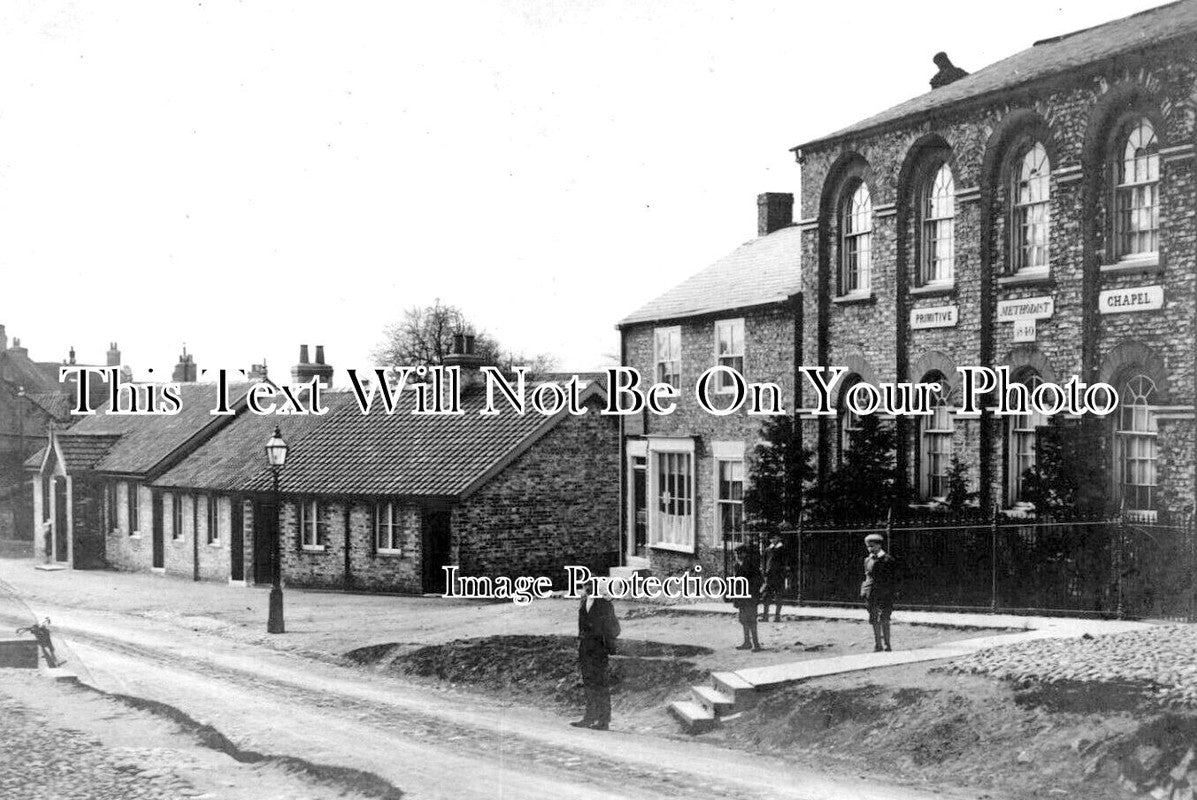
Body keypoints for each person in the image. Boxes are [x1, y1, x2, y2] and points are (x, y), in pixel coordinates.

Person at [572, 578, 620, 731]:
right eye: (585, 585)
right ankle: (589, 717)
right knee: (589, 683)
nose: (587, 587)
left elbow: (615, 628)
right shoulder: (584, 600)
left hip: (599, 649)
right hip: (585, 648)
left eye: (591, 584)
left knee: (600, 684)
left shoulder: (604, 604)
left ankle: (603, 720)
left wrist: (604, 640)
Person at [861, 533, 897, 652]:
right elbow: (867, 577)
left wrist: (890, 593)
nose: (870, 549)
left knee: (884, 618)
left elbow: (893, 579)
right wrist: (864, 591)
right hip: (871, 594)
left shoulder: (888, 560)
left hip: (885, 594)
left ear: (879, 545)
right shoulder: (867, 560)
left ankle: (887, 644)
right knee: (874, 618)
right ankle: (878, 645)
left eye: (872, 546)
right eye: (868, 546)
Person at [732, 546, 761, 651]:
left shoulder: (751, 565)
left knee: (752, 620)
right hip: (741, 598)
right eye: (736, 554)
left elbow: (758, 580)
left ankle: (756, 644)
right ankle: (747, 642)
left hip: (750, 598)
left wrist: (752, 593)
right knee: (743, 620)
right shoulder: (737, 565)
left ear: (744, 554)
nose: (736, 556)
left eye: (738, 554)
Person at [759, 534, 786, 622]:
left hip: (779, 576)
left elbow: (786, 563)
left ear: (779, 538)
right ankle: (765, 616)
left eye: (774, 537)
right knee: (766, 596)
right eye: (771, 538)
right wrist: (764, 573)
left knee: (779, 596)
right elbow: (763, 563)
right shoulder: (767, 550)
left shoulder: (783, 549)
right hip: (769, 576)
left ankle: (777, 616)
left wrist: (784, 574)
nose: (772, 539)